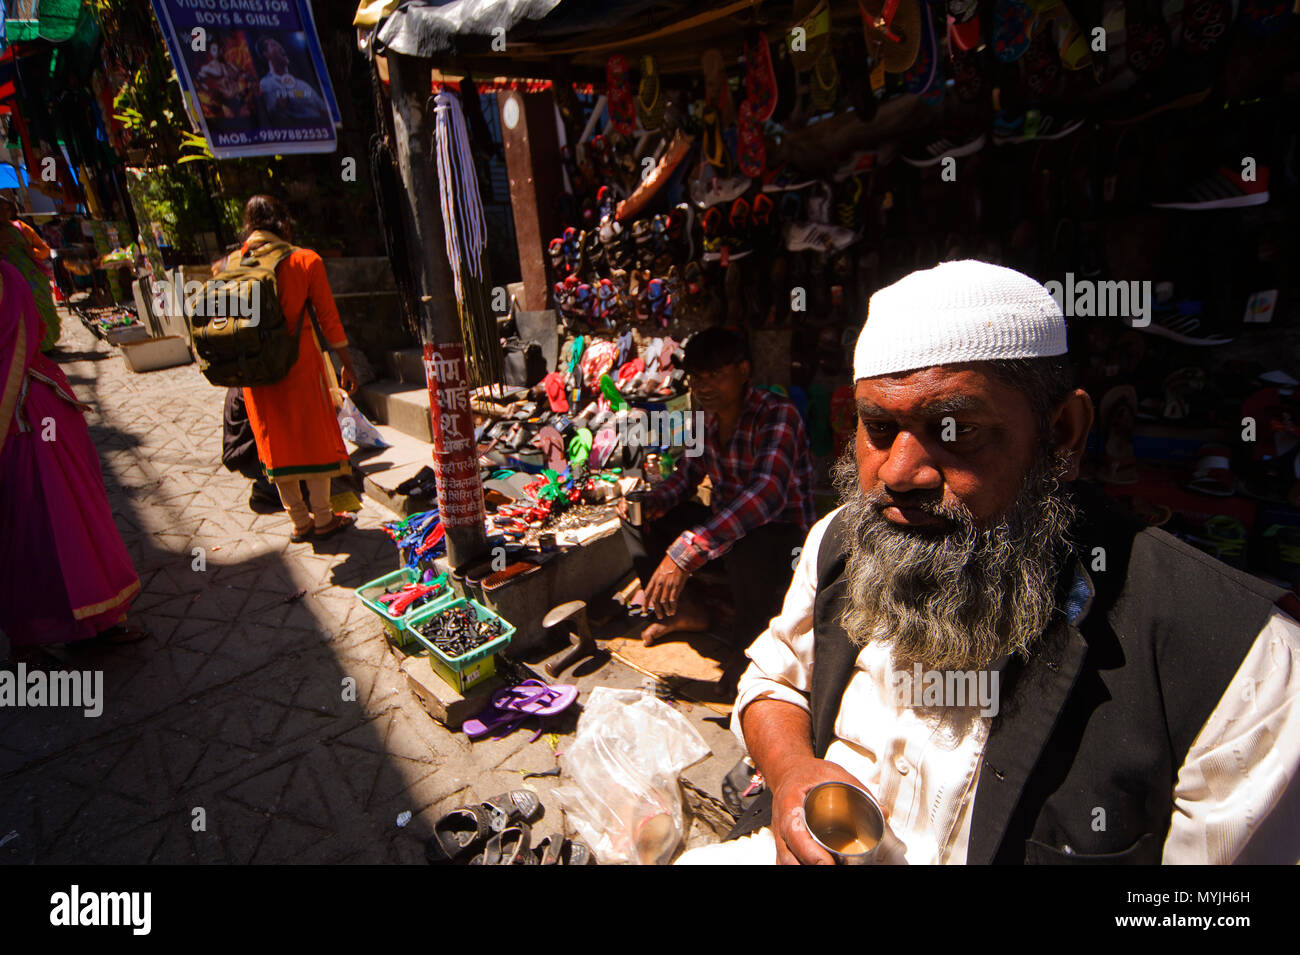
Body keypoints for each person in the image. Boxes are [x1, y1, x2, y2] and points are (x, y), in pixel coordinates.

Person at [678, 260, 1300, 865]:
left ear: (1062, 434)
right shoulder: (840, 541)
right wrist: (791, 773)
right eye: (878, 427)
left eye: (957, 430)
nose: (899, 473)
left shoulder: (1243, 667)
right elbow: (772, 681)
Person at [618, 327, 815, 661]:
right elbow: (686, 478)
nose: (704, 387)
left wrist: (686, 550)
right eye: (697, 378)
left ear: (742, 372)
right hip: (726, 531)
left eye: (715, 376)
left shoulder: (778, 414)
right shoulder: (701, 419)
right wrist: (650, 502)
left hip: (782, 538)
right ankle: (685, 610)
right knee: (636, 517)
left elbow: (766, 494)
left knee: (746, 544)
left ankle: (748, 654)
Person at [0, 259, 145, 650]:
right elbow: (27, 331)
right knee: (60, 520)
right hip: (31, 423)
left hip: (28, 423)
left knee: (33, 526)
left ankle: (53, 629)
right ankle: (83, 622)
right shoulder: (7, 277)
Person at [232, 195, 359, 542]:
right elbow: (329, 321)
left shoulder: (231, 263)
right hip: (300, 366)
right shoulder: (305, 260)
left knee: (277, 441)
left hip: (255, 374)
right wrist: (348, 366)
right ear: (283, 223)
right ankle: (323, 519)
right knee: (313, 436)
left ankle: (299, 523)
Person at [0, 196, 58, 352]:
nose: (3, 214)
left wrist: (32, 252)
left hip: (34, 279)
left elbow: (44, 250)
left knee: (45, 310)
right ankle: (36, 349)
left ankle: (49, 344)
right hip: (9, 283)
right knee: (23, 316)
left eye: (5, 209)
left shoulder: (21, 228)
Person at [256, 36, 328, 124]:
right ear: (266, 54)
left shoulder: (302, 84)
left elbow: (324, 110)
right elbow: (274, 114)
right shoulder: (265, 83)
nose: (280, 47)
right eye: (274, 45)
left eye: (278, 44)